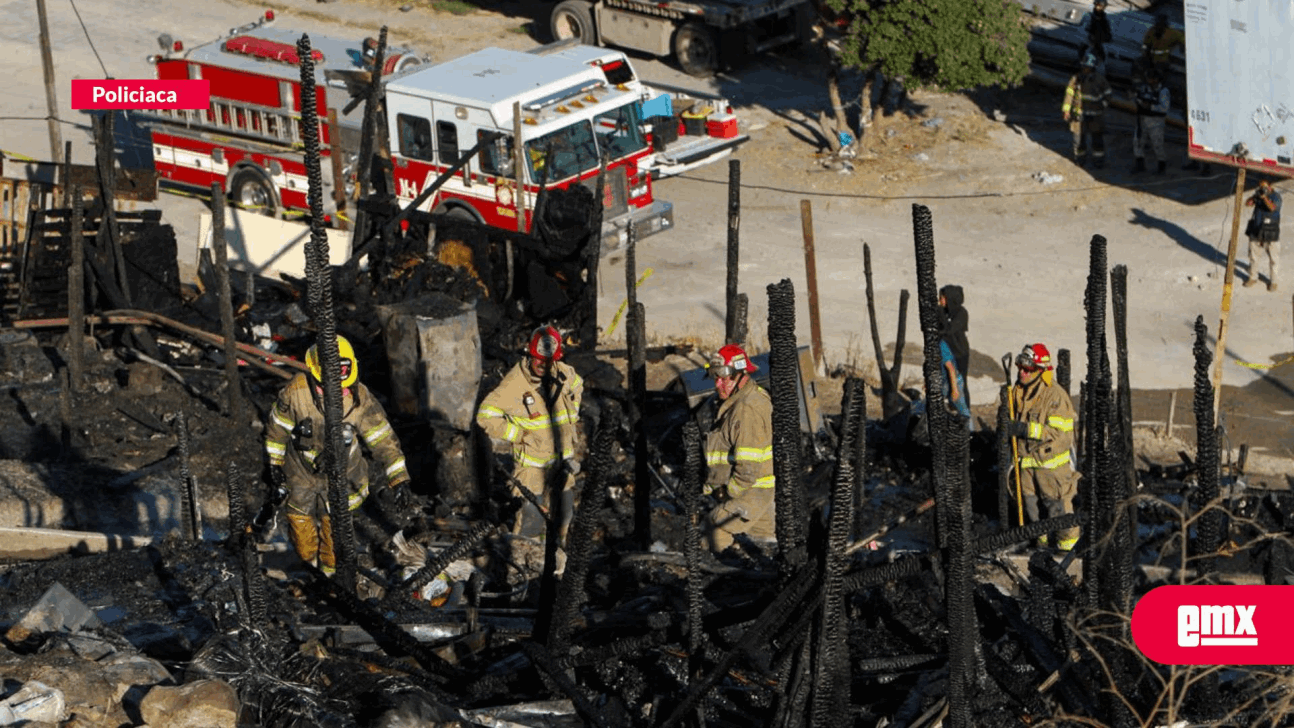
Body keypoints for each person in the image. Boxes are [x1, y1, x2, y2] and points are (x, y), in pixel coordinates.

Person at [264, 335, 411, 576]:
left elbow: (383, 439)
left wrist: (399, 479)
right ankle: (309, 568)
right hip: (300, 473)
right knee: (302, 536)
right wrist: (274, 464)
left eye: (343, 370)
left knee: (336, 540)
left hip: (344, 476)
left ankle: (330, 578)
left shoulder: (359, 398)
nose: (338, 385)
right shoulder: (296, 393)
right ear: (315, 370)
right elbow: (277, 428)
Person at [476, 326, 584, 538]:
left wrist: (573, 412)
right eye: (538, 360)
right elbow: (484, 416)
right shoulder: (513, 385)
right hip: (532, 468)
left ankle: (556, 563)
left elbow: (578, 385)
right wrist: (518, 435)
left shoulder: (563, 373)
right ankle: (524, 564)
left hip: (561, 463)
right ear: (530, 354)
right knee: (531, 523)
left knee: (564, 517)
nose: (543, 366)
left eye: (548, 362)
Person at [1002, 344, 1080, 551]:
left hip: (1050, 469)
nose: (1022, 372)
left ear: (1040, 371)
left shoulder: (1055, 396)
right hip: (1026, 466)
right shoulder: (1018, 392)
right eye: (1020, 368)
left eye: (1027, 369)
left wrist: (1026, 429)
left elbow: (1060, 435)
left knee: (1058, 512)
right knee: (1032, 512)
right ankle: (1040, 548)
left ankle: (1066, 551)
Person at [703, 344, 775, 551]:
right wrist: (708, 487)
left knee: (716, 525)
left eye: (724, 378)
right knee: (764, 546)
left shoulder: (746, 409)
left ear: (742, 375)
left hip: (751, 491)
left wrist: (727, 493)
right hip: (758, 493)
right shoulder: (740, 401)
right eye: (715, 378)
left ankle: (722, 573)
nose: (718, 384)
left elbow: (747, 468)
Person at [1062, 53, 1113, 168]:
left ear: (1093, 68)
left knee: (1097, 140)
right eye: (1083, 67)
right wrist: (1066, 111)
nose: (1085, 69)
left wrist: (1102, 106)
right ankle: (1080, 160)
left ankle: (1098, 162)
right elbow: (1069, 95)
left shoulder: (1100, 80)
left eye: (1087, 67)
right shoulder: (1075, 79)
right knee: (1078, 140)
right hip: (1079, 115)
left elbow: (1108, 95)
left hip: (1095, 116)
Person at [938, 285, 972, 427]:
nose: (939, 301)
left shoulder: (961, 313)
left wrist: (939, 314)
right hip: (948, 352)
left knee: (960, 384)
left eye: (942, 298)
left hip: (959, 352)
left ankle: (965, 416)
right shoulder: (944, 312)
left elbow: (949, 330)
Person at [1243, 180, 1283, 292]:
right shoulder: (1258, 196)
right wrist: (1254, 196)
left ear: (1270, 187)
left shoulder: (1276, 197)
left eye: (1264, 187)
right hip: (1256, 230)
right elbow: (1248, 204)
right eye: (1260, 187)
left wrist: (1265, 198)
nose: (1262, 189)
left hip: (1271, 231)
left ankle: (1273, 282)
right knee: (1253, 257)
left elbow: (1272, 208)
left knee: (1274, 259)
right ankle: (1253, 277)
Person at [1133, 68, 1171, 174]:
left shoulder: (1163, 91)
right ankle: (1139, 165)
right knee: (1138, 142)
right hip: (1142, 120)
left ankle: (1161, 166)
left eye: (1151, 79)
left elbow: (1165, 108)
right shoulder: (1144, 88)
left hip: (1156, 122)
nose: (1149, 81)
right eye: (1148, 78)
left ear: (1157, 79)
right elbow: (1138, 99)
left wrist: (1150, 107)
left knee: (1157, 144)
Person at [1078, 0, 1113, 74]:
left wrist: (1103, 39)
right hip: (1089, 42)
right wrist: (1090, 37)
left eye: (1101, 6)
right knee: (1083, 50)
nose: (1099, 7)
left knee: (1102, 55)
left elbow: (1108, 34)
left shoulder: (1105, 19)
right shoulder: (1089, 16)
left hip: (1098, 43)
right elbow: (1083, 29)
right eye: (1098, 5)